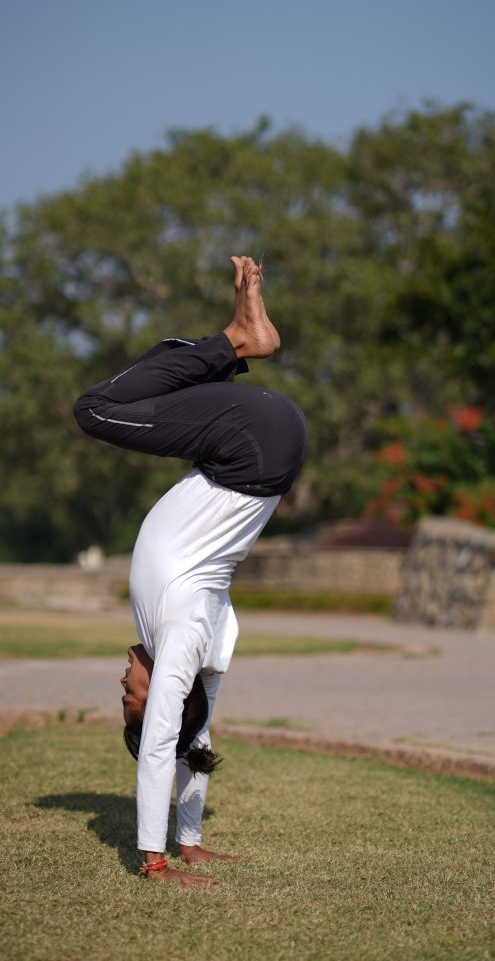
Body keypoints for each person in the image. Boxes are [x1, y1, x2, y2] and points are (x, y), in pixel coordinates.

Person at [74, 256, 307, 888]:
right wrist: (154, 859)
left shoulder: (203, 628)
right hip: (249, 444)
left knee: (141, 394)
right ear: (160, 703)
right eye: (131, 697)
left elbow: (197, 733)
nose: (123, 680)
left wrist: (192, 840)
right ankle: (237, 339)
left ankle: (235, 343)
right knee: (93, 408)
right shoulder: (180, 634)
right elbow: (164, 744)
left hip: (265, 445)